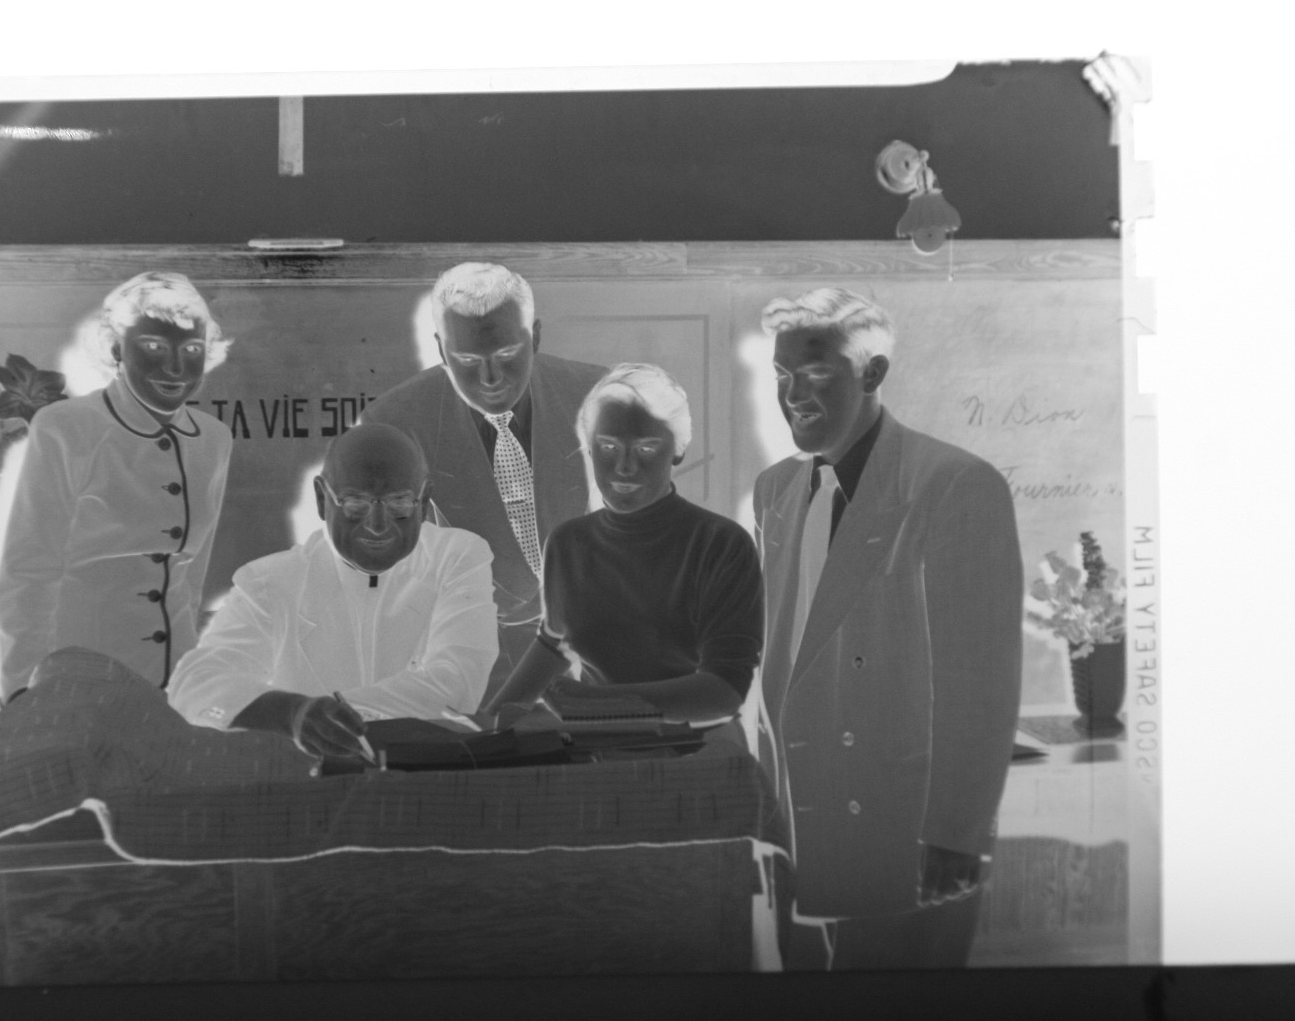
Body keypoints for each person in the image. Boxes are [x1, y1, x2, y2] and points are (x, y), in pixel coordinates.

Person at [752, 287, 1022, 970]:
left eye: (816, 375)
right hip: (800, 824)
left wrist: (957, 835)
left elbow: (980, 681)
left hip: (900, 832)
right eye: (783, 375)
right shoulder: (776, 490)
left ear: (873, 374)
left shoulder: (954, 484)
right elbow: (787, 657)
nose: (793, 395)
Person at [168, 423, 499, 760]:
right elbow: (194, 685)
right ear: (321, 498)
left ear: (425, 500)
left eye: (399, 502)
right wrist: (292, 714)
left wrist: (327, 715)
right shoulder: (270, 582)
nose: (378, 525)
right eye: (356, 503)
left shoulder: (457, 556)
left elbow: (458, 681)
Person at [364, 263, 605, 701]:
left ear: (535, 335)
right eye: (468, 361)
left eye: (508, 356)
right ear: (441, 350)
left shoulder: (599, 394)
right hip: (471, 652)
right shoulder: (395, 422)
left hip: (596, 637)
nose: (491, 380)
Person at [0, 271, 233, 700]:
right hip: (80, 685)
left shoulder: (214, 439)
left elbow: (191, 577)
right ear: (116, 349)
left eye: (192, 349)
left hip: (175, 687)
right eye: (154, 347)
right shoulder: (66, 429)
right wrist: (21, 696)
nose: (176, 368)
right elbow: (28, 574)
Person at [484, 364, 761, 726]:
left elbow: (723, 692)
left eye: (646, 447)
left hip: (696, 759)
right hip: (595, 757)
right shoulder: (568, 543)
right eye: (609, 446)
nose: (624, 467)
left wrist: (593, 702)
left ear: (677, 450)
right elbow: (554, 644)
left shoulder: (721, 545)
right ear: (589, 448)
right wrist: (485, 723)